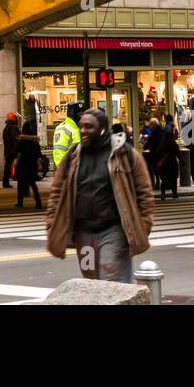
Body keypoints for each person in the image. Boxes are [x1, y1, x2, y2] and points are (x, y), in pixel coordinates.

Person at [46, 108, 157, 283]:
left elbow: (145, 192)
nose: (83, 130)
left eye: (89, 127)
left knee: (112, 280)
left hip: (113, 230)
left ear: (103, 129)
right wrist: (52, 223)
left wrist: (143, 225)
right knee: (91, 282)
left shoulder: (125, 154)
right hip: (83, 232)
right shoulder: (73, 156)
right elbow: (57, 192)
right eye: (81, 126)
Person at [15, 119, 44, 209]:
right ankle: (38, 202)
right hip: (32, 165)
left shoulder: (21, 141)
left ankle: (20, 202)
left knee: (20, 184)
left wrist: (15, 163)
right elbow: (38, 155)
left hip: (22, 165)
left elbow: (17, 153)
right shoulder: (35, 142)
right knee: (33, 184)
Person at [151, 119, 180, 200]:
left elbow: (157, 153)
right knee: (173, 180)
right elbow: (178, 153)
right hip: (172, 164)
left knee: (164, 180)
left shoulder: (162, 144)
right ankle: (174, 194)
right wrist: (182, 162)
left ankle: (163, 194)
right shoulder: (174, 144)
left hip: (164, 165)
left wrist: (158, 161)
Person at [52, 102, 83, 170]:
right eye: (79, 114)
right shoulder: (63, 128)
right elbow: (59, 152)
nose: (81, 116)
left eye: (82, 114)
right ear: (72, 114)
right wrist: (63, 171)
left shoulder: (81, 128)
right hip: (69, 170)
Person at [1, 112, 20, 188]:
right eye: (16, 118)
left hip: (8, 151)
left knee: (7, 167)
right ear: (14, 119)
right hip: (12, 151)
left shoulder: (6, 128)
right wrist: (17, 150)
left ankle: (5, 182)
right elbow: (15, 140)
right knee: (10, 167)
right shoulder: (13, 128)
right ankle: (7, 182)